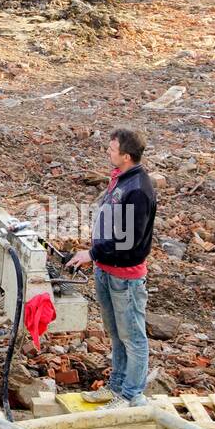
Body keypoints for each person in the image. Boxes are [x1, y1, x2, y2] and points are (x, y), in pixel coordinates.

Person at [69, 128, 157, 408]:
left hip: (124, 277)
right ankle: (116, 386)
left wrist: (92, 252)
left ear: (127, 156)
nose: (108, 151)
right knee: (117, 334)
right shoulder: (122, 180)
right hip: (107, 269)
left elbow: (128, 242)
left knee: (133, 336)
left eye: (112, 148)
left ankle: (130, 395)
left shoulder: (139, 190)